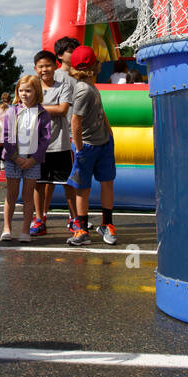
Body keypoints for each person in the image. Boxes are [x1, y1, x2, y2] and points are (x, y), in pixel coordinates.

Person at [65, 45, 116, 246]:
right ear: (94, 64)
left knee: (106, 183)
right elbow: (75, 120)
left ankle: (106, 225)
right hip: (88, 145)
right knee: (82, 189)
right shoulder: (83, 90)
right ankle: (82, 229)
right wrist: (79, 147)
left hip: (102, 143)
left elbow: (100, 112)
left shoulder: (91, 86)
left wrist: (109, 131)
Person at [0, 75, 51, 242]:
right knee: (11, 195)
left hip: (32, 162)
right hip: (13, 160)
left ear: (36, 92)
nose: (24, 94)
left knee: (28, 197)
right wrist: (15, 157)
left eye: (28, 90)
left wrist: (33, 159)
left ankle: (25, 230)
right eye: (21, 90)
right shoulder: (12, 111)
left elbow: (45, 139)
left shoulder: (43, 114)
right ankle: (7, 228)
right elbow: (6, 136)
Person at [31, 49, 74, 237]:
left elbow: (63, 109)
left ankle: (75, 219)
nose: (44, 69)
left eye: (48, 65)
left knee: (67, 184)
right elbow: (23, 107)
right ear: (35, 69)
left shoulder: (64, 86)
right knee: (38, 184)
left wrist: (36, 108)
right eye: (40, 66)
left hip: (61, 144)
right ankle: (39, 219)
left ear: (55, 66)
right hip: (38, 146)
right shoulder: (32, 87)